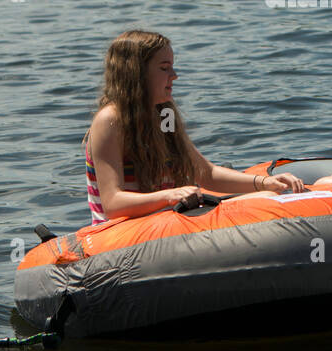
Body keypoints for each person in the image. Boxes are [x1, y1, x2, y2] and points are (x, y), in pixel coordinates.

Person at [83, 30, 304, 223]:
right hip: (125, 234)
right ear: (136, 73)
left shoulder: (164, 115)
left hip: (166, 219)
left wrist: (266, 182)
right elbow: (113, 203)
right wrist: (170, 196)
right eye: (164, 68)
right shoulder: (110, 121)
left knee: (271, 196)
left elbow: (205, 173)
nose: (174, 75)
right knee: (265, 201)